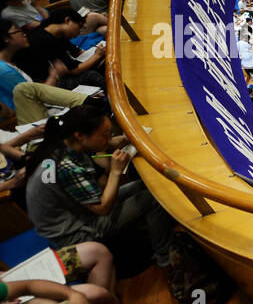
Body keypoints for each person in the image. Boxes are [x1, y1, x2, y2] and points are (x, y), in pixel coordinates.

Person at [24, 104, 175, 267]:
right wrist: (116, 171)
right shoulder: (67, 167)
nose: (108, 138)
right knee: (153, 198)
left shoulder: (65, 142)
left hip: (77, 214)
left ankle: (151, 231)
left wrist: (126, 138)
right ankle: (164, 258)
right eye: (104, 134)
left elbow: (106, 148)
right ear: (80, 135)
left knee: (145, 185)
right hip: (75, 233)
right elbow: (103, 208)